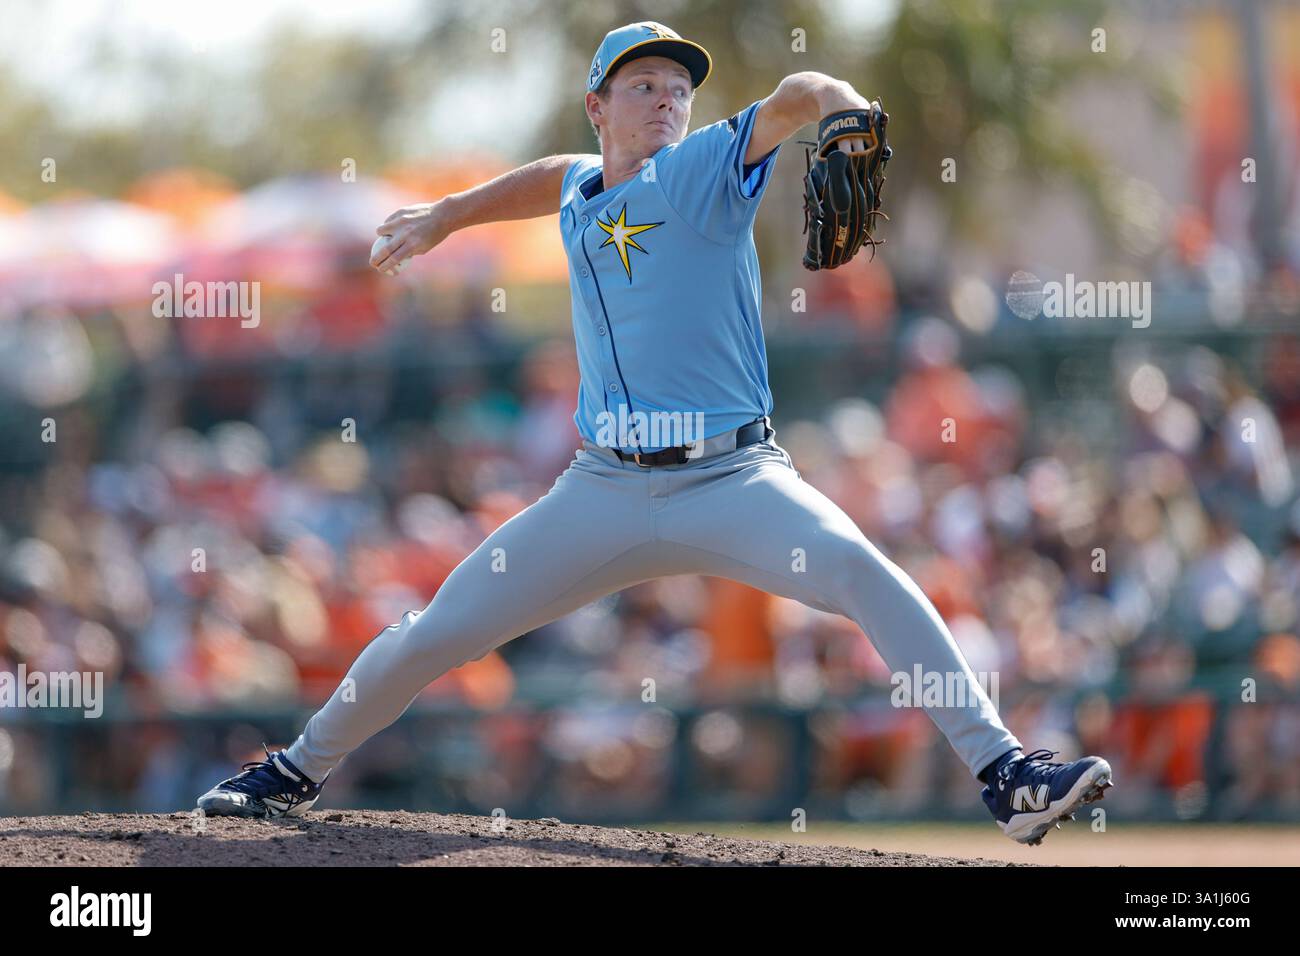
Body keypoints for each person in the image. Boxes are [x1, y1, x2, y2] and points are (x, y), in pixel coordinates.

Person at [197, 21, 1112, 845]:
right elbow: (548, 177)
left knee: (865, 573)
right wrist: (445, 215)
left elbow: (794, 98)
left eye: (678, 86)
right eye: (643, 85)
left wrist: (840, 103)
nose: (667, 98)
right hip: (603, 491)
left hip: (733, 480)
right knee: (438, 631)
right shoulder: (580, 184)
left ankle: (1007, 774)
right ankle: (293, 771)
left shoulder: (704, 165)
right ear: (597, 106)